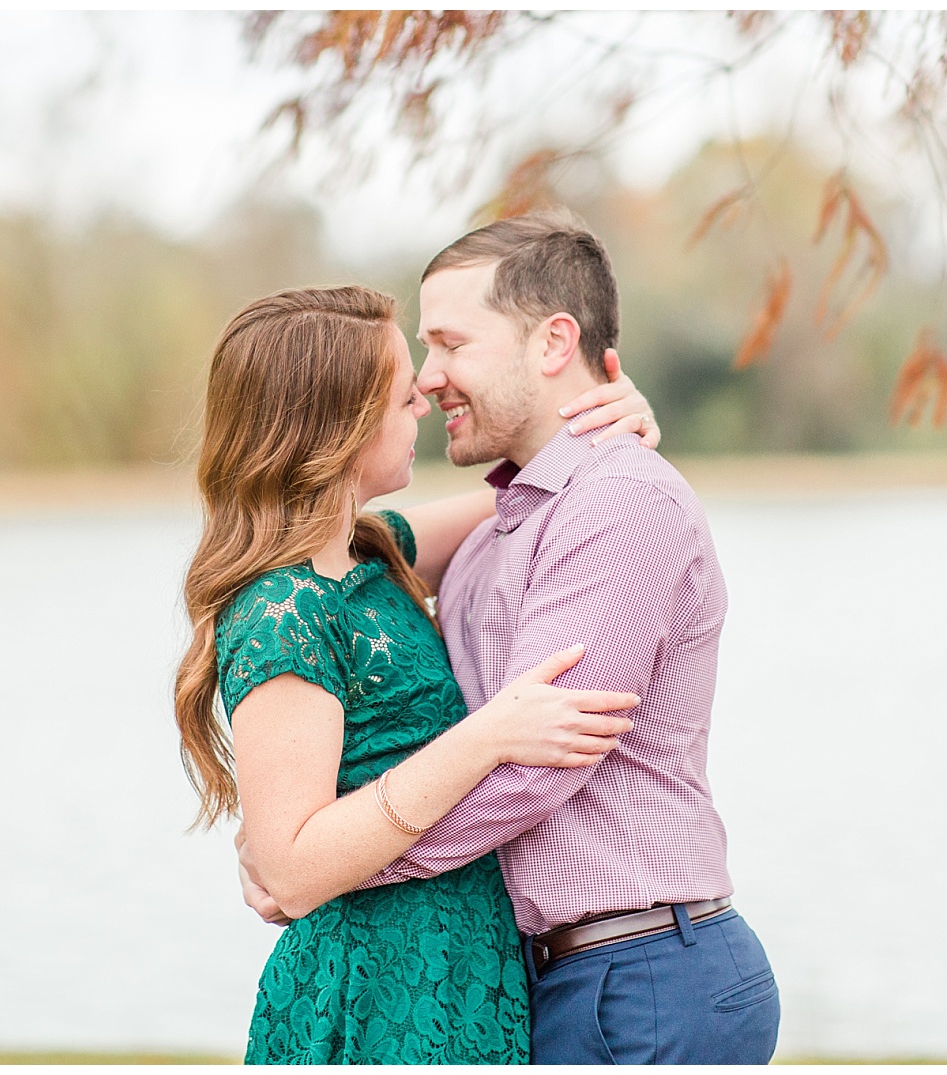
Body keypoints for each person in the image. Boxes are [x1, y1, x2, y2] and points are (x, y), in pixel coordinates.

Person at [238, 208, 780, 1064]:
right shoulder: (493, 529)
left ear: (554, 342)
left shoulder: (620, 502)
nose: (428, 381)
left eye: (452, 344)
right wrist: (293, 845)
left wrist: (329, 863)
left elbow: (530, 772)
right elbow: (343, 590)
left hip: (637, 970)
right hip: (541, 975)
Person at [174, 284, 661, 1064]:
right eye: (404, 397)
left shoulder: (372, 552)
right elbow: (291, 869)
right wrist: (488, 736)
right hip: (376, 990)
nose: (425, 406)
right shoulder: (282, 609)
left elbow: (524, 499)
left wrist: (608, 422)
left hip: (464, 969)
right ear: (337, 425)